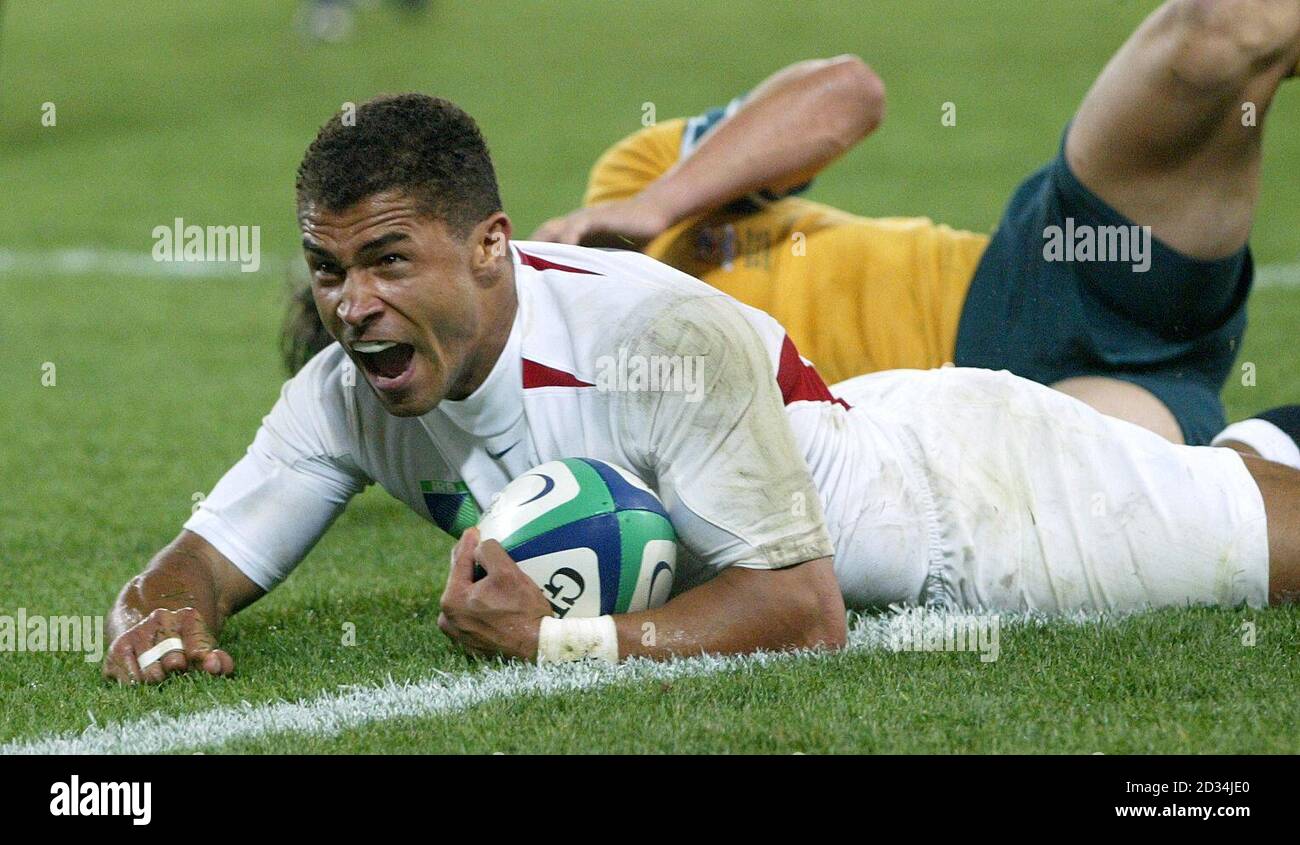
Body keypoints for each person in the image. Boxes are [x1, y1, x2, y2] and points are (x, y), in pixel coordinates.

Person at [103, 85, 1300, 680]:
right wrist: (159, 622)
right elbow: (201, 557)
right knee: (1241, 473)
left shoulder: (650, 329)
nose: (350, 304)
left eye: (382, 261)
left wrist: (557, 641)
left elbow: (803, 612)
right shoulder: (345, 389)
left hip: (974, 503)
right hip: (863, 446)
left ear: (488, 246)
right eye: (326, 267)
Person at [529, 2, 1300, 449]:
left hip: (1034, 276)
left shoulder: (632, 186)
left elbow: (847, 94)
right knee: (1177, 509)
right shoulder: (590, 426)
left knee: (1223, 31)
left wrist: (657, 207)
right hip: (982, 439)